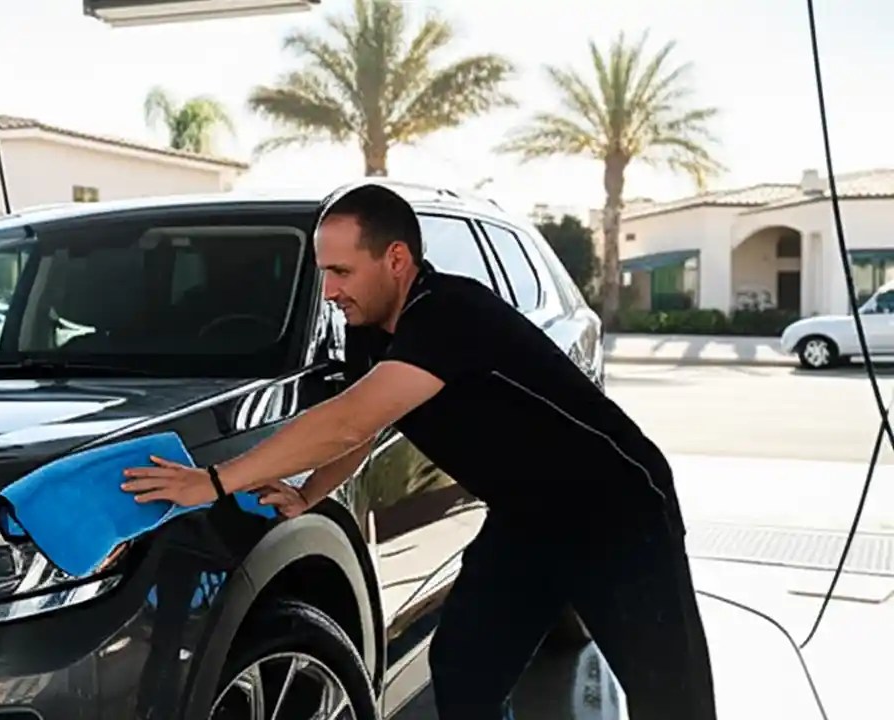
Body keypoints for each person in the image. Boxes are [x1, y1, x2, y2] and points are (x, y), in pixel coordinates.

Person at [121, 183, 718, 719]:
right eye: (324, 273)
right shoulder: (368, 332)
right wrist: (308, 493)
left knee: (671, 699)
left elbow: (346, 417)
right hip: (526, 518)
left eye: (342, 272)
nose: (329, 291)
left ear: (397, 260)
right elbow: (364, 428)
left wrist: (212, 480)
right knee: (465, 669)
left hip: (615, 508)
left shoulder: (449, 313)